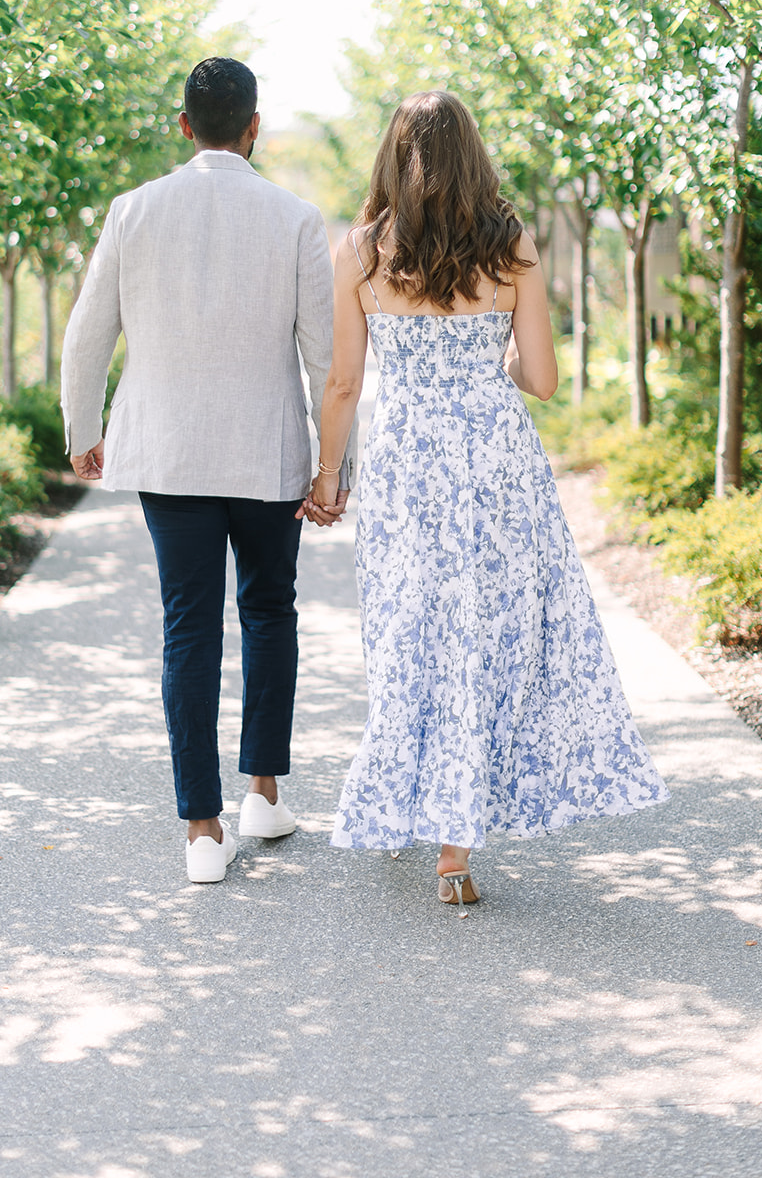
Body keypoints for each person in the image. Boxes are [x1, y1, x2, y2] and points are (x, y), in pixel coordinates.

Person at [307, 90, 668, 915]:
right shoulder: (510, 246)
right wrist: (480, 372)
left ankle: (409, 801)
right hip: (496, 459)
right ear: (473, 156)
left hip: (405, 464)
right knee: (487, 635)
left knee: (411, 630)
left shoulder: (360, 251)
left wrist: (328, 475)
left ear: (391, 159)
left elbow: (342, 382)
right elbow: (539, 377)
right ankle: (454, 852)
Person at [61, 58, 353, 886]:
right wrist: (334, 468)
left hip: (170, 451)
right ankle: (261, 791)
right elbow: (325, 357)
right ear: (254, 125)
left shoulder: (133, 210)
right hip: (267, 452)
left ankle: (201, 829)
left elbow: (88, 331)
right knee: (269, 610)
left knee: (187, 627)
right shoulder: (297, 218)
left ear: (183, 125)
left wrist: (84, 428)